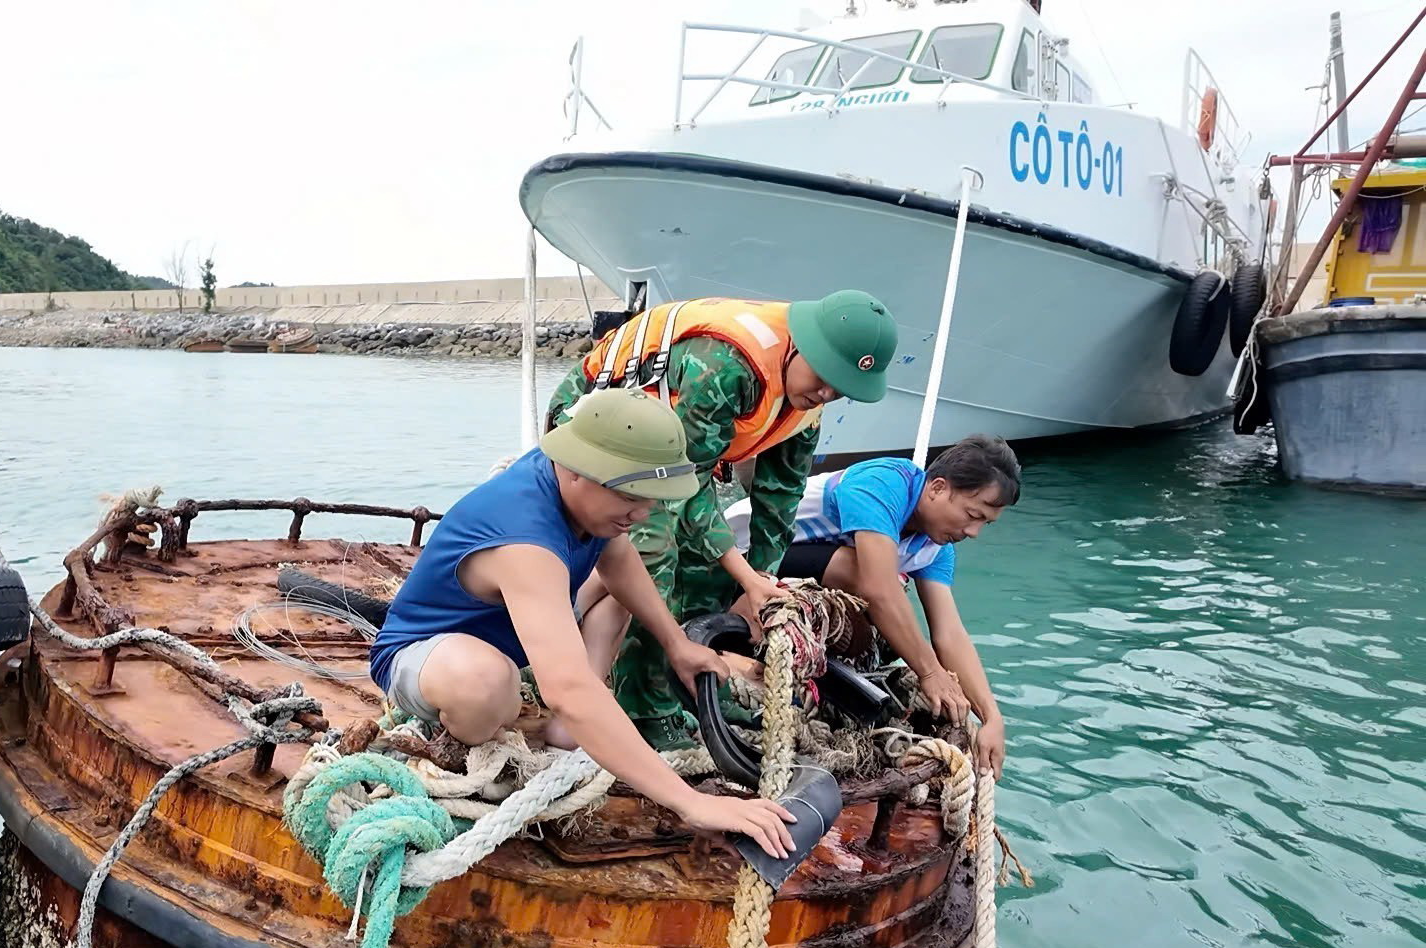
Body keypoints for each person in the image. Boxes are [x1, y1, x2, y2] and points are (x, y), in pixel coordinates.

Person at [368, 388, 799, 858]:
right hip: (430, 655)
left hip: (515, 630)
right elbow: (566, 688)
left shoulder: (577, 493)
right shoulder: (525, 541)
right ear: (576, 472)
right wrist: (690, 802)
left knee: (620, 597)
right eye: (630, 496)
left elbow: (618, 562)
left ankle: (572, 727)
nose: (642, 513)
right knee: (487, 683)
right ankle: (490, 725)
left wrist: (677, 644)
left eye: (652, 498)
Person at [540, 291, 898, 749]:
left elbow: (780, 495)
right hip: (598, 435)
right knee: (654, 552)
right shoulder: (726, 366)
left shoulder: (808, 402)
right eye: (824, 376)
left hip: (668, 458)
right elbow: (684, 487)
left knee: (712, 567)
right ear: (800, 346)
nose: (827, 393)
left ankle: (688, 684)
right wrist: (744, 573)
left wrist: (761, 583)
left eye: (841, 387)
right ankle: (645, 708)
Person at [761, 435, 1020, 774]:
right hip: (753, 557)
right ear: (937, 488)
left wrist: (990, 716)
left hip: (814, 579)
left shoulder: (935, 546)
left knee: (885, 598)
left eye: (985, 522)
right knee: (879, 576)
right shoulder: (884, 482)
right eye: (972, 514)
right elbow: (877, 588)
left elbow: (949, 633)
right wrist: (929, 671)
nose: (974, 531)